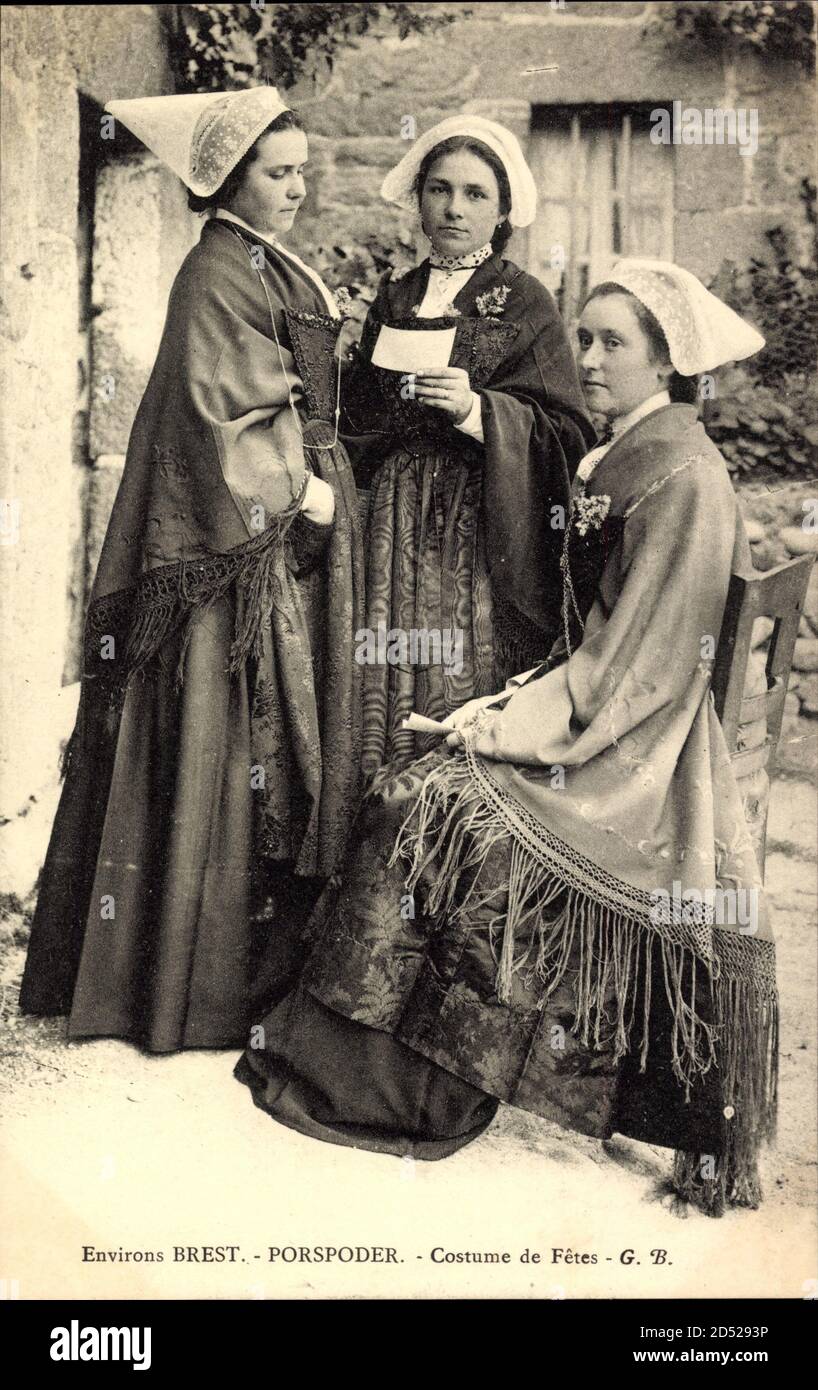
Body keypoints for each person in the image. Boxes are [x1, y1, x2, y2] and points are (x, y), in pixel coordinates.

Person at [235, 259, 777, 1217]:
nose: (590, 360)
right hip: (614, 714)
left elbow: (633, 674)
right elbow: (595, 641)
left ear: (668, 364)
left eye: (616, 344)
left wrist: (498, 723)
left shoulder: (683, 477)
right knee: (420, 785)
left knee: (421, 804)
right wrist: (501, 705)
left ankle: (409, 1090)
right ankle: (390, 1072)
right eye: (588, 338)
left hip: (637, 760)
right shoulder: (634, 450)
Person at [20, 87, 364, 1051]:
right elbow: (220, 418)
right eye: (278, 173)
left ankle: (226, 977)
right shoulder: (216, 269)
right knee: (212, 741)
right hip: (221, 558)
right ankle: (175, 988)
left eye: (302, 170)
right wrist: (302, 490)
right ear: (232, 179)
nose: (296, 188)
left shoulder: (262, 259)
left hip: (270, 547)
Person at [343, 116, 594, 778]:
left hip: (479, 527)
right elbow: (357, 417)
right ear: (419, 198)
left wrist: (480, 411)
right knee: (386, 671)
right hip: (392, 522)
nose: (454, 208)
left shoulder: (524, 301)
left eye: (476, 194)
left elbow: (569, 429)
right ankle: (381, 832)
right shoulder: (394, 295)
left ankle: (452, 834)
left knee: (459, 668)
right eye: (440, 189)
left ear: (503, 209)